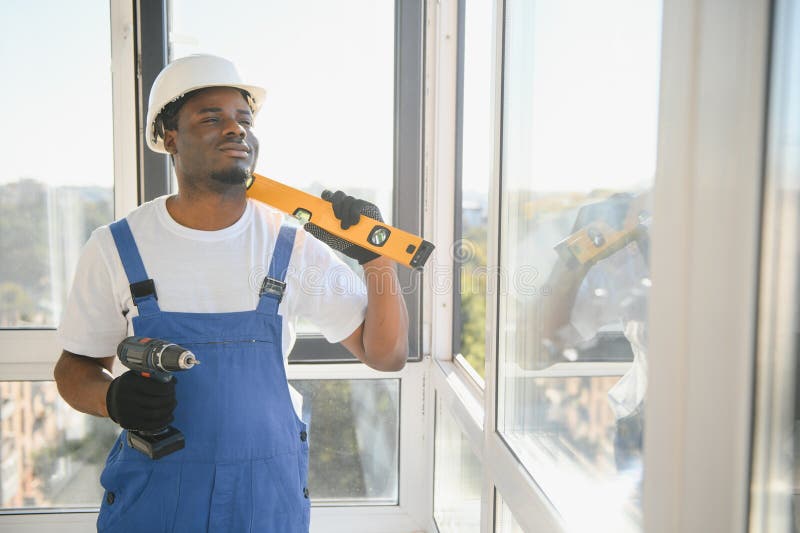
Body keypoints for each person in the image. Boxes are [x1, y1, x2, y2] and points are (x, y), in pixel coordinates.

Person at [53, 54, 408, 532]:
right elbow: (73, 368)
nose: (237, 130)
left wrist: (376, 258)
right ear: (169, 137)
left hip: (266, 506)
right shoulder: (117, 246)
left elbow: (386, 355)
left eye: (244, 119)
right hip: (153, 505)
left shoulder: (291, 244)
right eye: (211, 118)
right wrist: (111, 399)